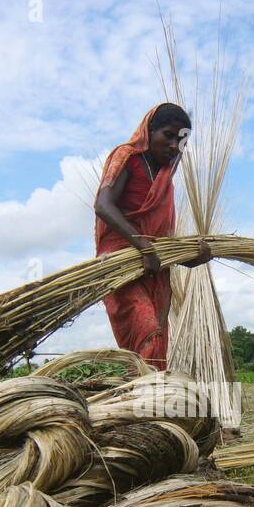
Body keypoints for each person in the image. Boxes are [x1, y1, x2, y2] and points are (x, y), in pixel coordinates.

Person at [94, 102, 211, 369]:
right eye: (168, 135)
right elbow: (103, 204)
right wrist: (141, 245)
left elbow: (162, 245)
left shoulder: (164, 177)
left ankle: (145, 403)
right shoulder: (128, 157)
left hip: (154, 268)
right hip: (121, 261)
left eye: (180, 141)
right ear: (149, 131)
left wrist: (195, 256)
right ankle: (145, 400)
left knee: (155, 341)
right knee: (148, 332)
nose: (173, 146)